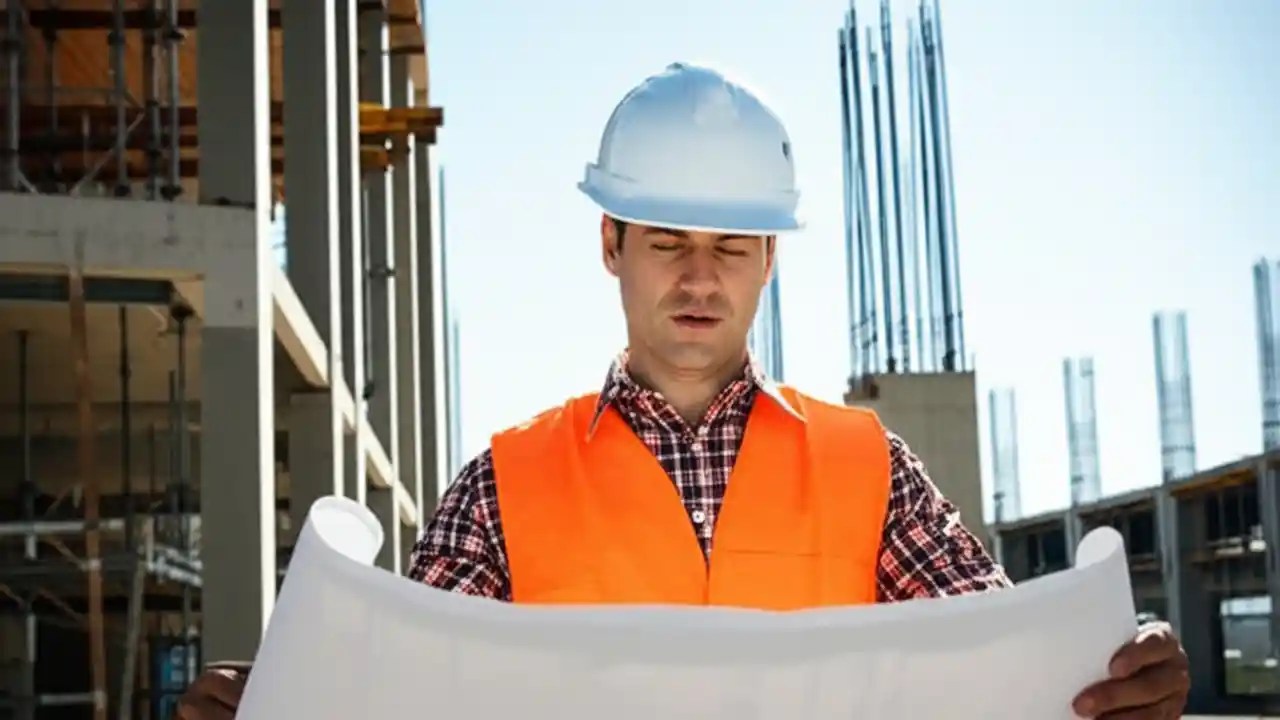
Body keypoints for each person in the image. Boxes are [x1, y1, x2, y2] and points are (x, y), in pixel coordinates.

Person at [176, 62, 1189, 718]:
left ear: (768, 261)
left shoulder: (869, 468)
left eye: (731, 247)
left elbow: (1006, 675)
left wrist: (1117, 681)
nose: (700, 279)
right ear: (610, 243)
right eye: (666, 242)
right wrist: (285, 699)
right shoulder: (503, 486)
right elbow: (401, 694)